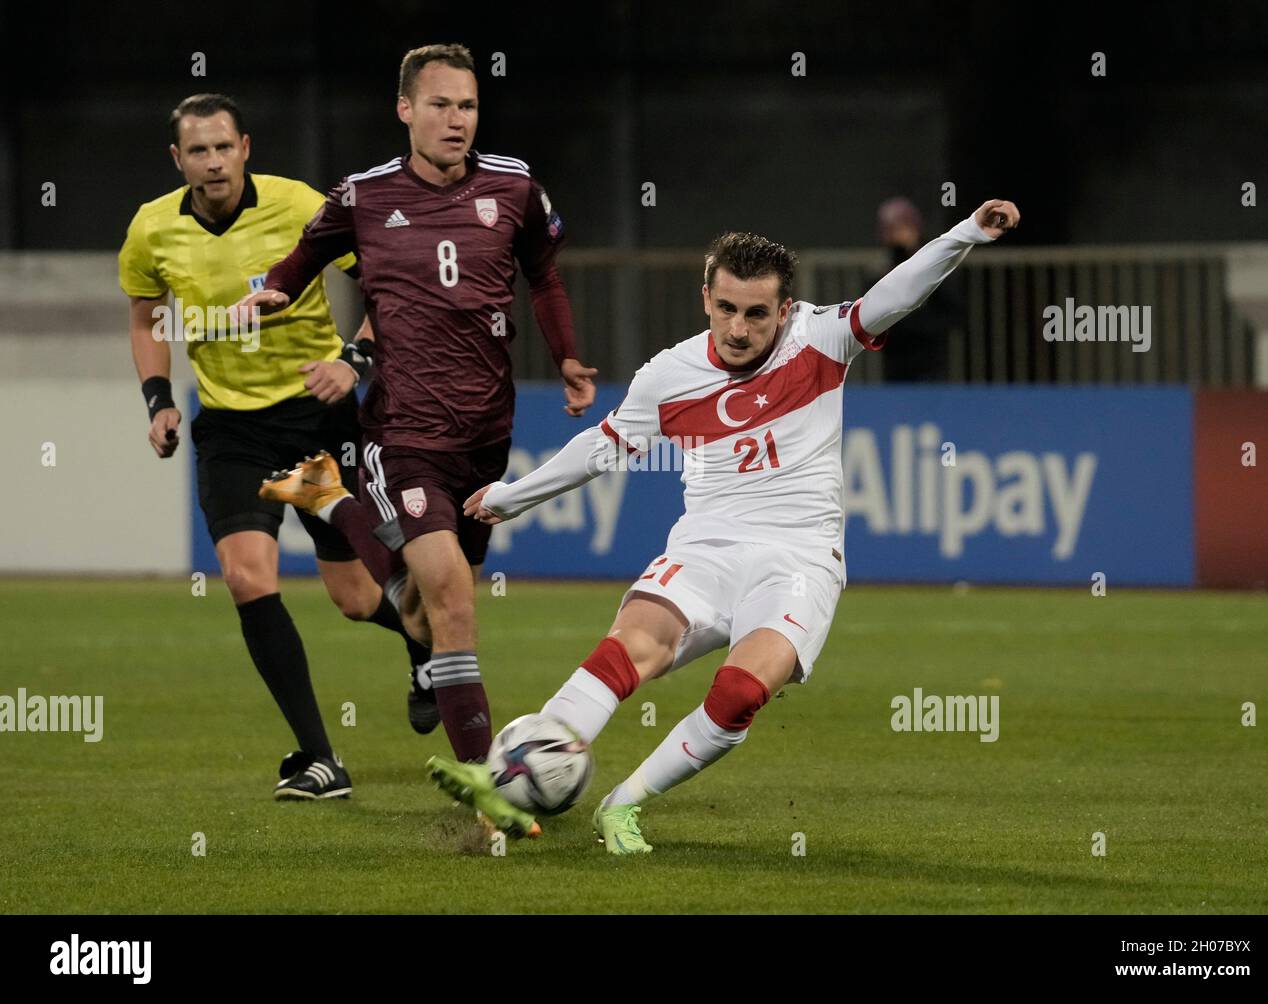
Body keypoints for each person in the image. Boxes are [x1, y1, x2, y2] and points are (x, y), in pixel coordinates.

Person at [423, 200, 1021, 847]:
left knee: (738, 692)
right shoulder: (669, 375)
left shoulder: (822, 338)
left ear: (784, 311)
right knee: (627, 647)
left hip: (799, 562)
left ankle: (623, 804)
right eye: (727, 308)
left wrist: (966, 233)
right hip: (706, 549)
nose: (739, 328)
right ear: (706, 296)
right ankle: (511, 779)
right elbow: (603, 445)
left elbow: (897, 293)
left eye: (757, 313)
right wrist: (515, 496)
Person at [241, 43, 597, 764]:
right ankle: (485, 788)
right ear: (405, 110)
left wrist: (565, 357)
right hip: (403, 431)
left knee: (427, 615)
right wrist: (273, 286)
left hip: (487, 434)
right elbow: (305, 257)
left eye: (467, 105)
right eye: (439, 105)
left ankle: (330, 501)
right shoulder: (363, 195)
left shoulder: (516, 186)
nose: (456, 119)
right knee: (455, 600)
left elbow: (544, 276)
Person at [121, 93, 431, 800]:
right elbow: (145, 320)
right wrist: (159, 400)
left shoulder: (300, 208)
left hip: (315, 424)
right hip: (231, 430)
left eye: (223, 146)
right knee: (246, 578)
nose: (212, 161)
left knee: (354, 597)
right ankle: (321, 760)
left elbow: (388, 287)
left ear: (246, 147)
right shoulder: (152, 230)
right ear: (179, 160)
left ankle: (423, 640)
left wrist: (352, 362)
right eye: (197, 151)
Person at [872, 197, 968, 382]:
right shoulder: (881, 269)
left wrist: (921, 325)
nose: (896, 234)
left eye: (901, 227)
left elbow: (954, 311)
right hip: (896, 361)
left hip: (931, 360)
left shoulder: (935, 262)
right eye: (890, 229)